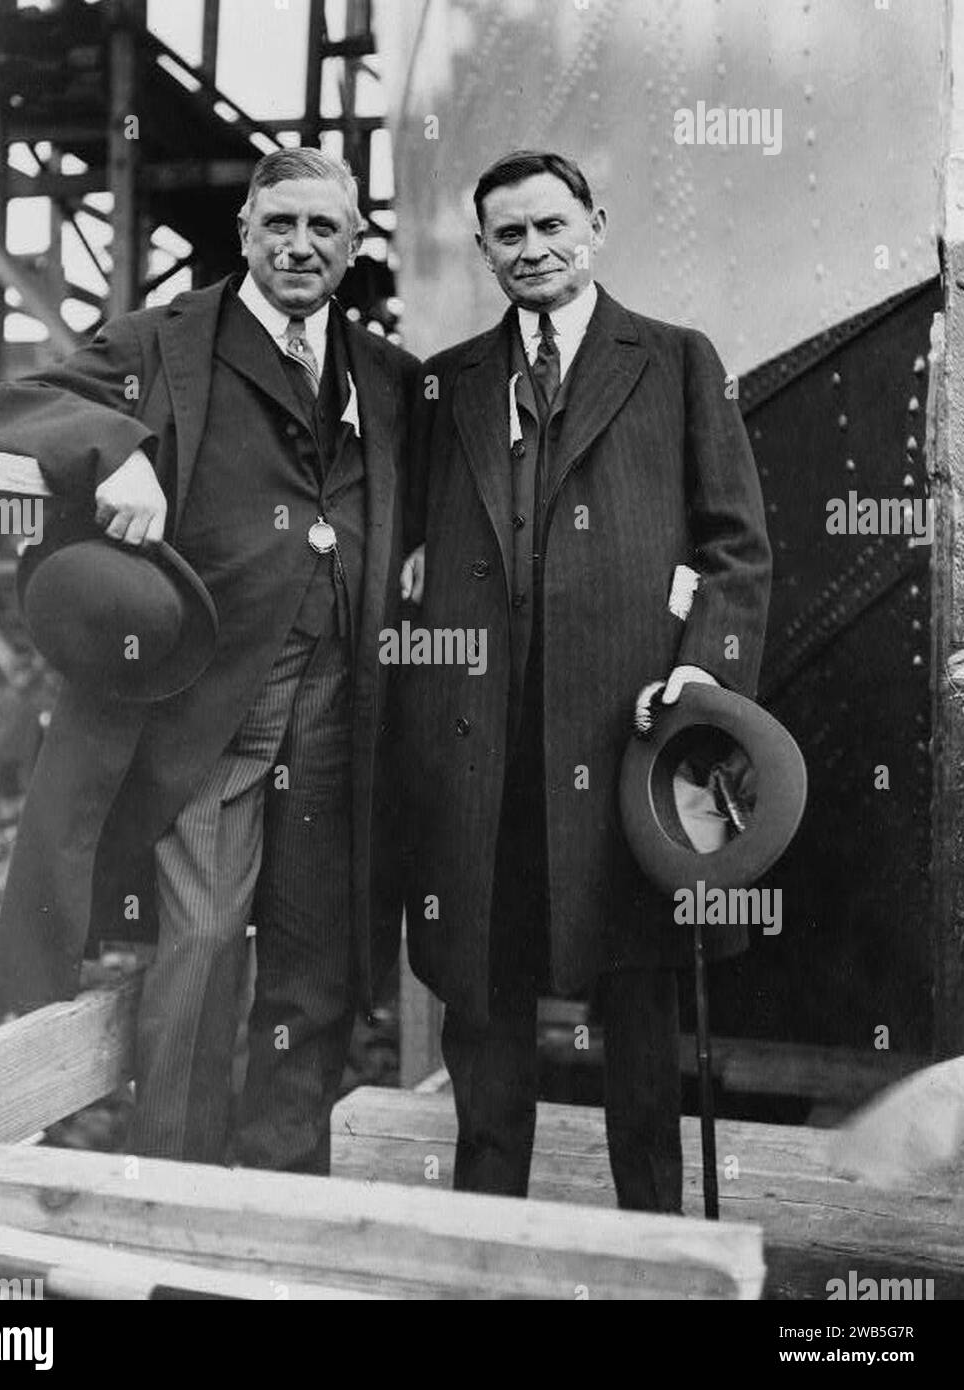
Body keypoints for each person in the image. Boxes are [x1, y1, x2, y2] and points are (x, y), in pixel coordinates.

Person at [0, 149, 419, 1169]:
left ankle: (280, 1186)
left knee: (315, 959)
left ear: (353, 246)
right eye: (279, 223)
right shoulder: (163, 341)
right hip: (214, 705)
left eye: (324, 229)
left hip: (341, 700)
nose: (299, 246)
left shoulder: (385, 375)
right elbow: (3, 408)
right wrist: (114, 449)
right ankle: (168, 1183)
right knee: (204, 944)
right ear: (246, 232)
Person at [395, 150, 771, 1211]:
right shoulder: (447, 384)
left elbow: (737, 550)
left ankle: (653, 1238)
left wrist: (697, 683)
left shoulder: (677, 361)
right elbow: (406, 544)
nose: (534, 249)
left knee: (640, 1001)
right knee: (483, 995)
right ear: (484, 251)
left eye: (551, 226)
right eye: (509, 235)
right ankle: (487, 1238)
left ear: (595, 225)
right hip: (485, 747)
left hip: (628, 736)